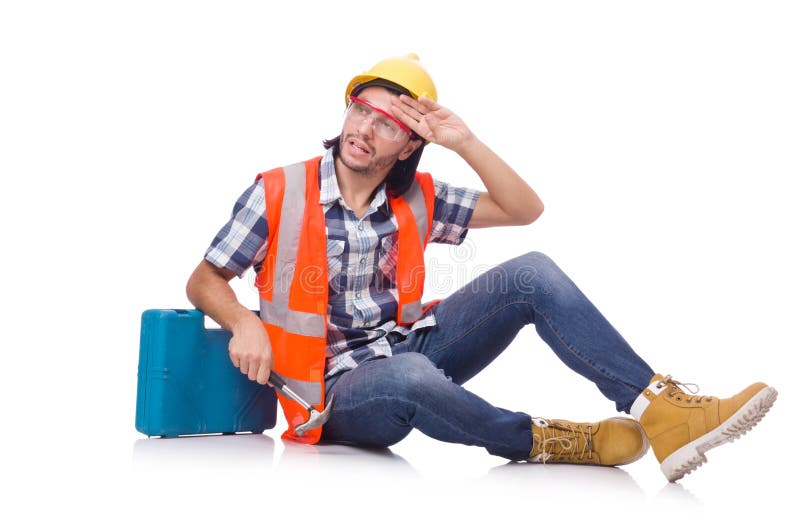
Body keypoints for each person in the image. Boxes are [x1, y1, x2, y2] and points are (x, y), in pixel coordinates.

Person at [186, 54, 777, 481]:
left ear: (409, 144)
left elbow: (526, 210)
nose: (367, 129)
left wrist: (463, 141)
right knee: (411, 375)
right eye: (362, 110)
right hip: (335, 394)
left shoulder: (416, 195)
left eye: (390, 123)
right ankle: (543, 440)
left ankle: (659, 408)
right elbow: (205, 278)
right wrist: (244, 321)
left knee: (532, 273)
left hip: (411, 346)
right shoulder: (278, 192)